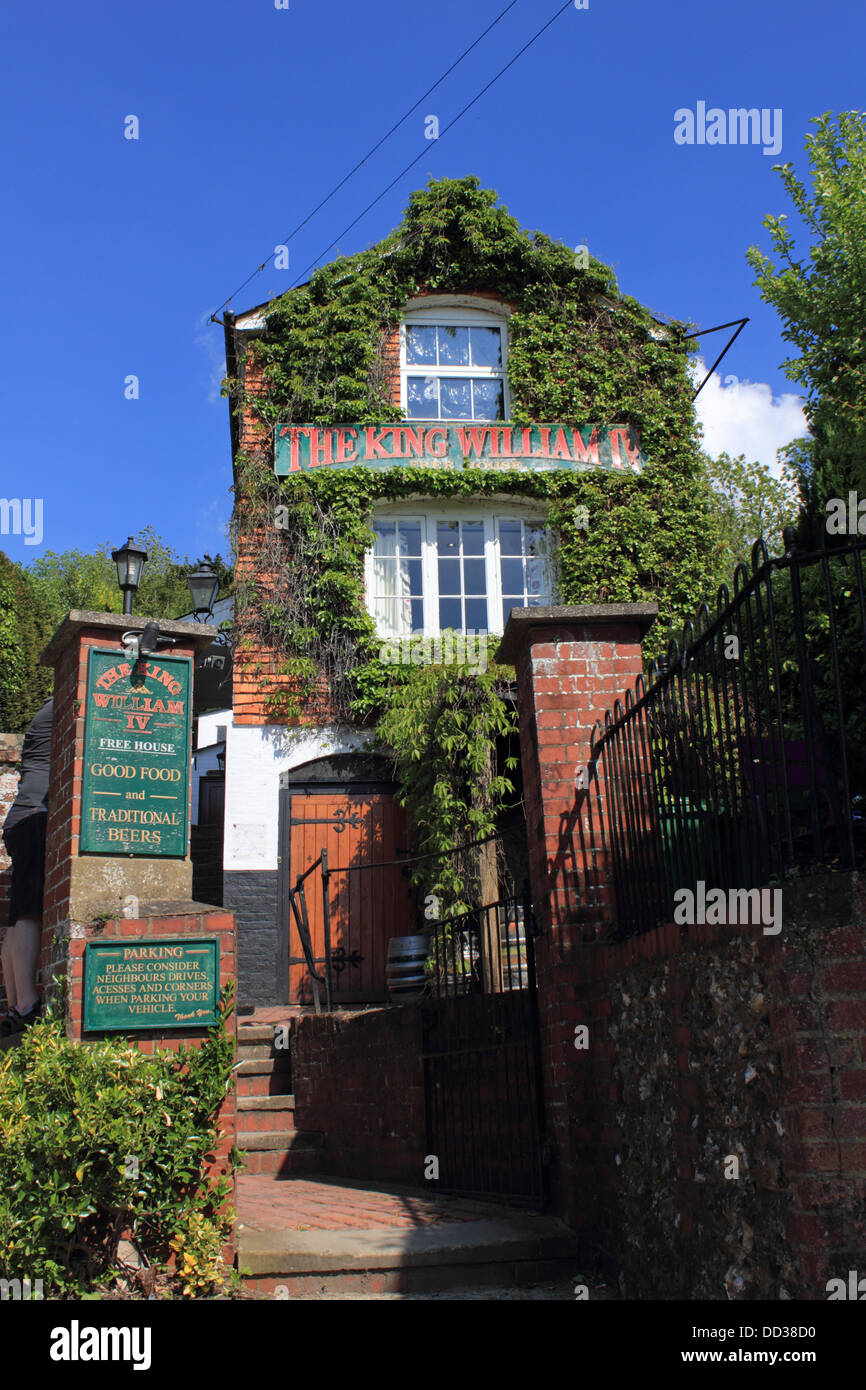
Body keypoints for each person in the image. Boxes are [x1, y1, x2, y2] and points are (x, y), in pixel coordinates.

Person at [1, 697, 53, 1036]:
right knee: (30, 912)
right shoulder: (63, 704)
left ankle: (15, 1002)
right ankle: (26, 1004)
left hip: (22, 816)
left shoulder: (45, 713)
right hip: (36, 814)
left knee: (19, 913)